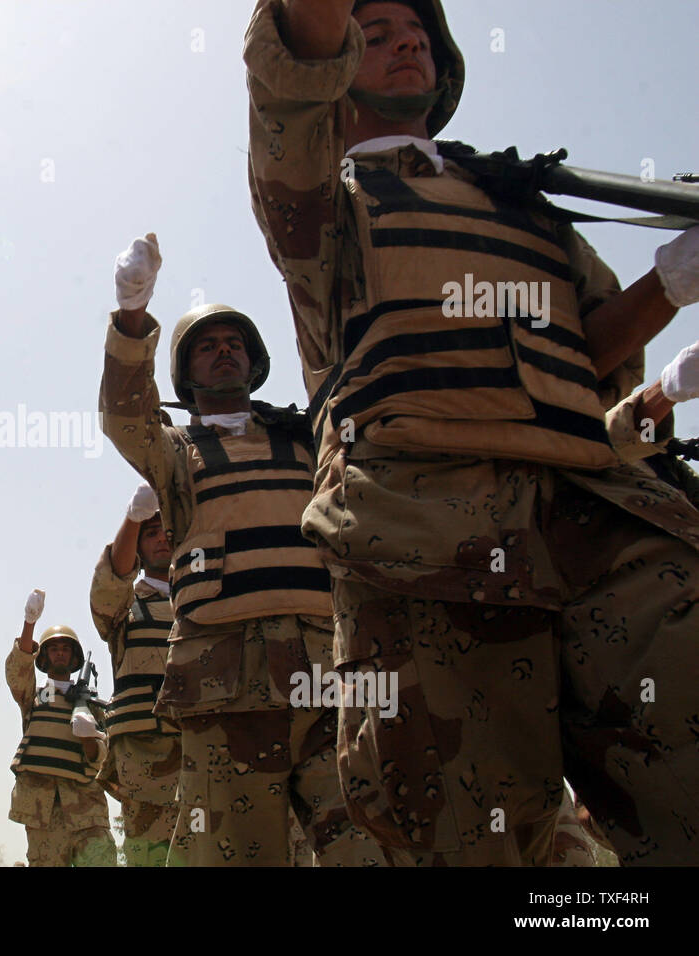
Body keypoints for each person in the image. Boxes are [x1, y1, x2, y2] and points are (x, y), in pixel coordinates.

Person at [245, 0, 699, 864]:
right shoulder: (324, 204)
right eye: (376, 31)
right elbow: (293, 70)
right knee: (467, 831)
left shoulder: (525, 204)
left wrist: (672, 281)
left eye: (417, 31)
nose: (407, 38)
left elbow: (589, 347)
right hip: (424, 531)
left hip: (600, 514)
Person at [101, 234, 378, 866]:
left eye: (234, 345)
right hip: (225, 681)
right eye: (207, 347)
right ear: (185, 373)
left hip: (326, 670)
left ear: (254, 363)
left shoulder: (306, 441)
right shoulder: (175, 452)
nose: (223, 352)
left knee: (367, 848)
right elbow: (124, 417)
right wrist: (132, 314)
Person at [88, 483, 180, 866]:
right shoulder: (127, 607)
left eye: (167, 531)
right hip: (149, 756)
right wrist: (132, 518)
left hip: (211, 744)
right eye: (150, 532)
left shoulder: (206, 596)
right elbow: (109, 586)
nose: (161, 539)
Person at [7, 590, 117, 867]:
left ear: (74, 657)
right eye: (54, 648)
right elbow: (18, 672)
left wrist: (89, 738)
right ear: (44, 656)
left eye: (65, 649)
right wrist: (29, 622)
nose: (59, 653)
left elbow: (101, 756)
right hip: (43, 809)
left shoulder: (91, 705)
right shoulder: (35, 697)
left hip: (86, 806)